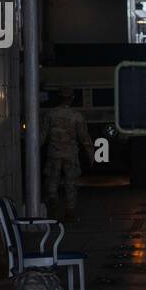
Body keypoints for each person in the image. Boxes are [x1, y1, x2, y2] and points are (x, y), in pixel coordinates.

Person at [41, 87, 93, 220]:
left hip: (54, 154)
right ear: (71, 99)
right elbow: (84, 137)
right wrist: (90, 154)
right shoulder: (76, 116)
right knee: (71, 183)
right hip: (70, 155)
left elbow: (42, 136)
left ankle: (53, 200)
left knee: (52, 180)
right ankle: (70, 210)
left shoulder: (50, 114)